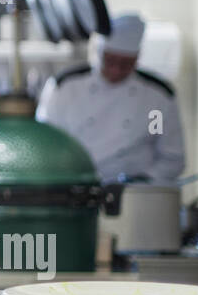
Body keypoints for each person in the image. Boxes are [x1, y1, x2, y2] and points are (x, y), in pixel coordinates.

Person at [36, 12, 185, 182]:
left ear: (137, 59)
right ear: (100, 53)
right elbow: (45, 144)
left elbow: (171, 157)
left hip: (132, 195)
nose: (116, 70)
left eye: (125, 64)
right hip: (74, 186)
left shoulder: (155, 100)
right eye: (111, 61)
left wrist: (144, 179)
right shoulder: (65, 88)